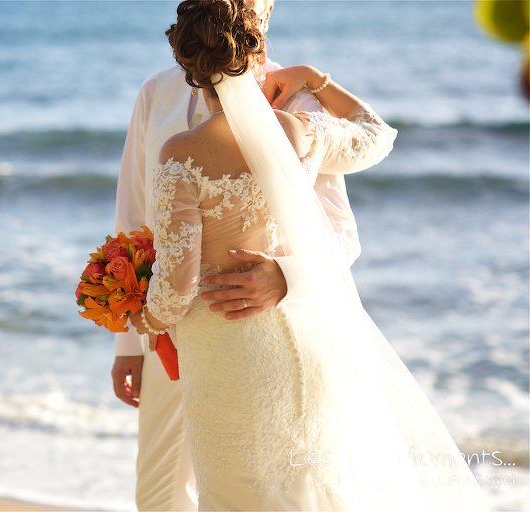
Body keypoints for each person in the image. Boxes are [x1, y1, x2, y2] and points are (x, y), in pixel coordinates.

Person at [129, 0, 488, 510]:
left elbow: (177, 286)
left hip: (228, 358)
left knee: (239, 495)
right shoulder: (299, 132)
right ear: (258, 50)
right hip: (301, 340)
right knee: (307, 489)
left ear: (189, 65)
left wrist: (141, 314)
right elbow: (376, 136)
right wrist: (319, 81)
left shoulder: (180, 156)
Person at [111, 0, 362, 509]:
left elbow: (340, 233)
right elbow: (134, 214)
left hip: (260, 331)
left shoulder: (297, 103)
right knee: (157, 495)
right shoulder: (155, 92)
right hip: (166, 336)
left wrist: (285, 277)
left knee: (257, 490)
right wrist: (127, 344)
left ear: (267, 11)